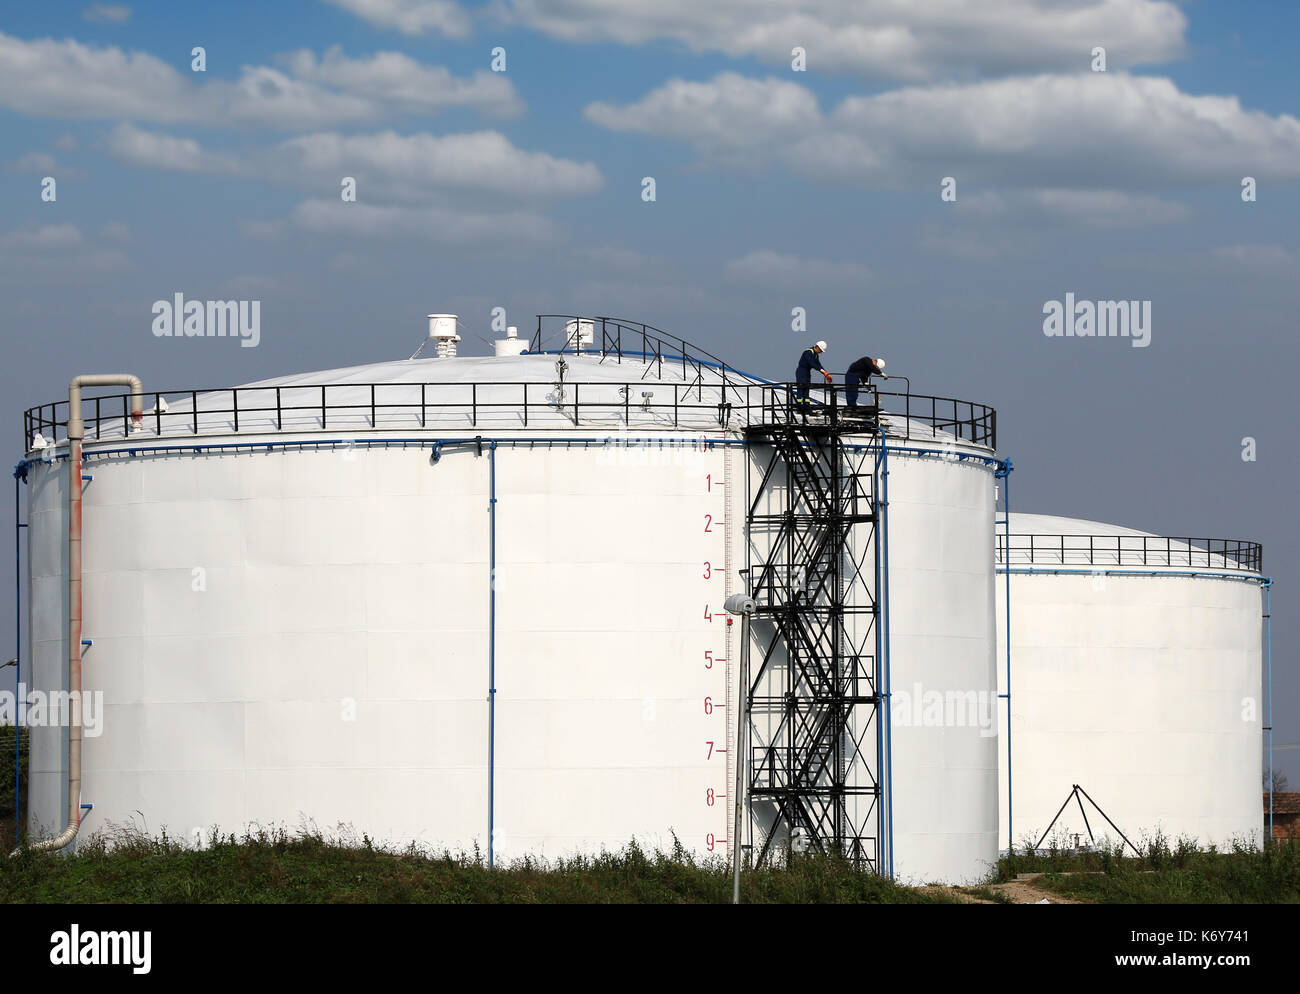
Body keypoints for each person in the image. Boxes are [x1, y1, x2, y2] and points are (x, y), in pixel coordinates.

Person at [795, 341, 832, 405]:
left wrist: (826, 373)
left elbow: (818, 364)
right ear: (817, 347)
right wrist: (823, 371)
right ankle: (799, 406)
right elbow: (812, 364)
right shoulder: (808, 352)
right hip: (801, 372)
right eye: (821, 350)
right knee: (801, 390)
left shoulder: (815, 355)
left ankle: (806, 406)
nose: (821, 352)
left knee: (806, 390)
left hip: (807, 373)